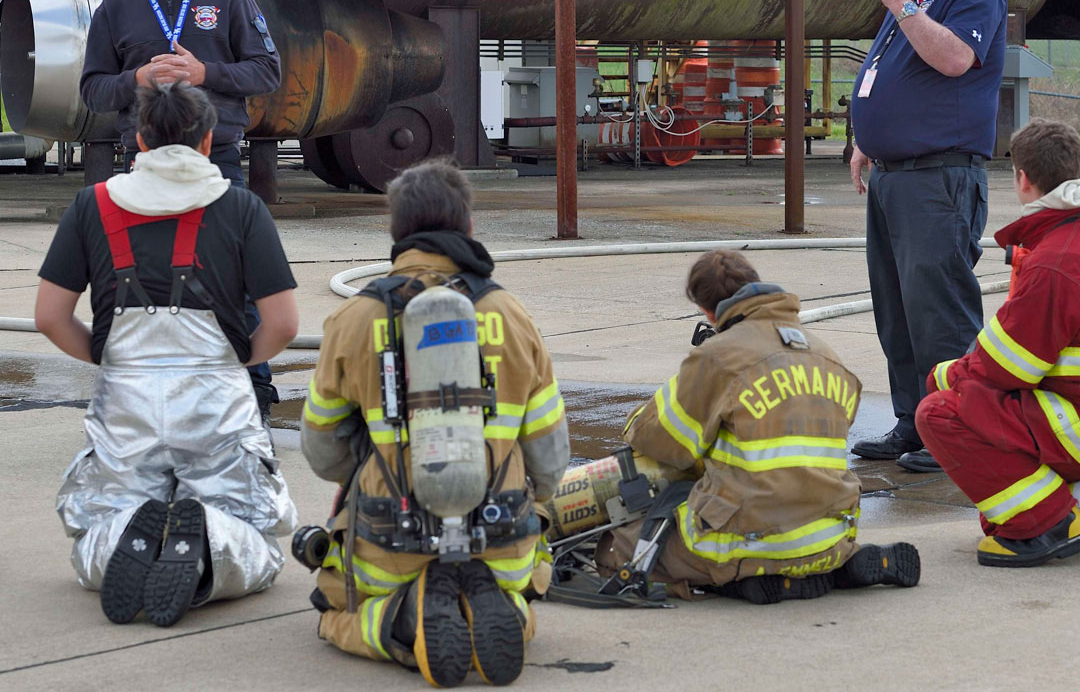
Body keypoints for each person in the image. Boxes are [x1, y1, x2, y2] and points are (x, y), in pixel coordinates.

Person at [35, 81, 299, 626]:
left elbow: (49, 317)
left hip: (126, 398)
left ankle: (122, 542)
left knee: (98, 523)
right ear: (208, 143)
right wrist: (238, 363)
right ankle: (206, 543)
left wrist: (109, 359)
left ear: (138, 141)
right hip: (214, 399)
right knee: (254, 532)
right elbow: (283, 323)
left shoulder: (93, 205)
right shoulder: (242, 208)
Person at [300, 158, 569, 688]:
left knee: (332, 613)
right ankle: (508, 611)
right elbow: (550, 457)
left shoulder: (355, 318)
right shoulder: (511, 315)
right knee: (523, 583)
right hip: (503, 542)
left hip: (388, 548)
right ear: (467, 227)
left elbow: (322, 450)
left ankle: (399, 621)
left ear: (397, 232)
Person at [595, 249, 919, 603]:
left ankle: (740, 578)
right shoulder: (827, 355)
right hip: (830, 532)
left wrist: (636, 422)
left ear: (707, 310)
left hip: (747, 539)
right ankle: (832, 564)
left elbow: (665, 442)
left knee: (614, 548)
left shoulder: (719, 356)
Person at [79, 0, 282, 420]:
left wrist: (205, 74)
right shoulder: (116, 8)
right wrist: (137, 80)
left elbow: (267, 71)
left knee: (238, 273)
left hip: (219, 162)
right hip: (144, 163)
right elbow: (94, 91)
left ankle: (253, 384)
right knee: (145, 278)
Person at [848, 0, 1007, 473]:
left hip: (937, 178)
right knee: (897, 309)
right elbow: (892, 72)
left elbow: (955, 60)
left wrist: (901, 5)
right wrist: (867, 138)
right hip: (895, 176)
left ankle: (957, 429)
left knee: (938, 310)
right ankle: (915, 422)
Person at [918, 118, 1080, 566]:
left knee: (941, 410)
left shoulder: (1057, 260)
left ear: (1023, 180)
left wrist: (944, 375)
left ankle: (1045, 521)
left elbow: (1010, 366)